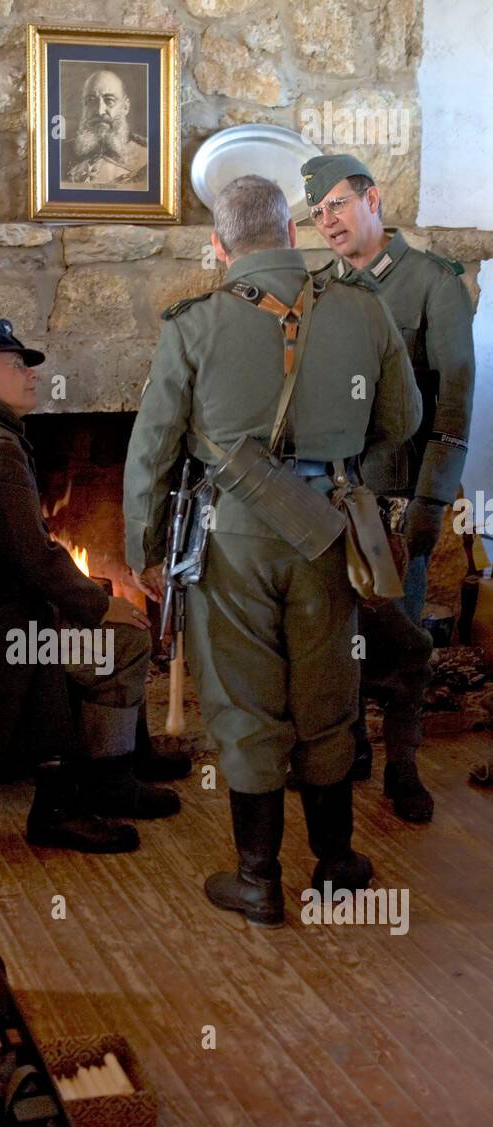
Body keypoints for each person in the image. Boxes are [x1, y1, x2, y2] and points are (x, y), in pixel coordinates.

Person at [124, 174, 422, 927]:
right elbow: (403, 418)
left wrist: (147, 547)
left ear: (220, 248)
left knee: (244, 701)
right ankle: (334, 865)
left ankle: (258, 878)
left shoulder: (193, 323)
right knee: (327, 698)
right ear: (294, 234)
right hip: (329, 532)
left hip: (233, 538)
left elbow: (153, 448)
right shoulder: (362, 307)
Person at [0, 319, 185, 855]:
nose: (32, 375)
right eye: (19, 366)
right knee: (129, 640)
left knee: (116, 629)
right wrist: (101, 607)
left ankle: (126, 759)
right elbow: (35, 558)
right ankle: (91, 791)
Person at [300, 153, 476, 819]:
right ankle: (349, 751)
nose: (328, 222)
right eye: (318, 214)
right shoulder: (317, 286)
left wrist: (433, 500)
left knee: (402, 645)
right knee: (334, 637)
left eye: (338, 205)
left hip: (400, 500)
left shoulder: (433, 283)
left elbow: (454, 405)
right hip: (330, 498)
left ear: (371, 199)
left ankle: (403, 766)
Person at [63, 69, 148, 189]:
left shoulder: (148, 158)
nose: (99, 111)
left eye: (109, 101)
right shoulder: (63, 153)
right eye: (91, 101)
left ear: (125, 107)